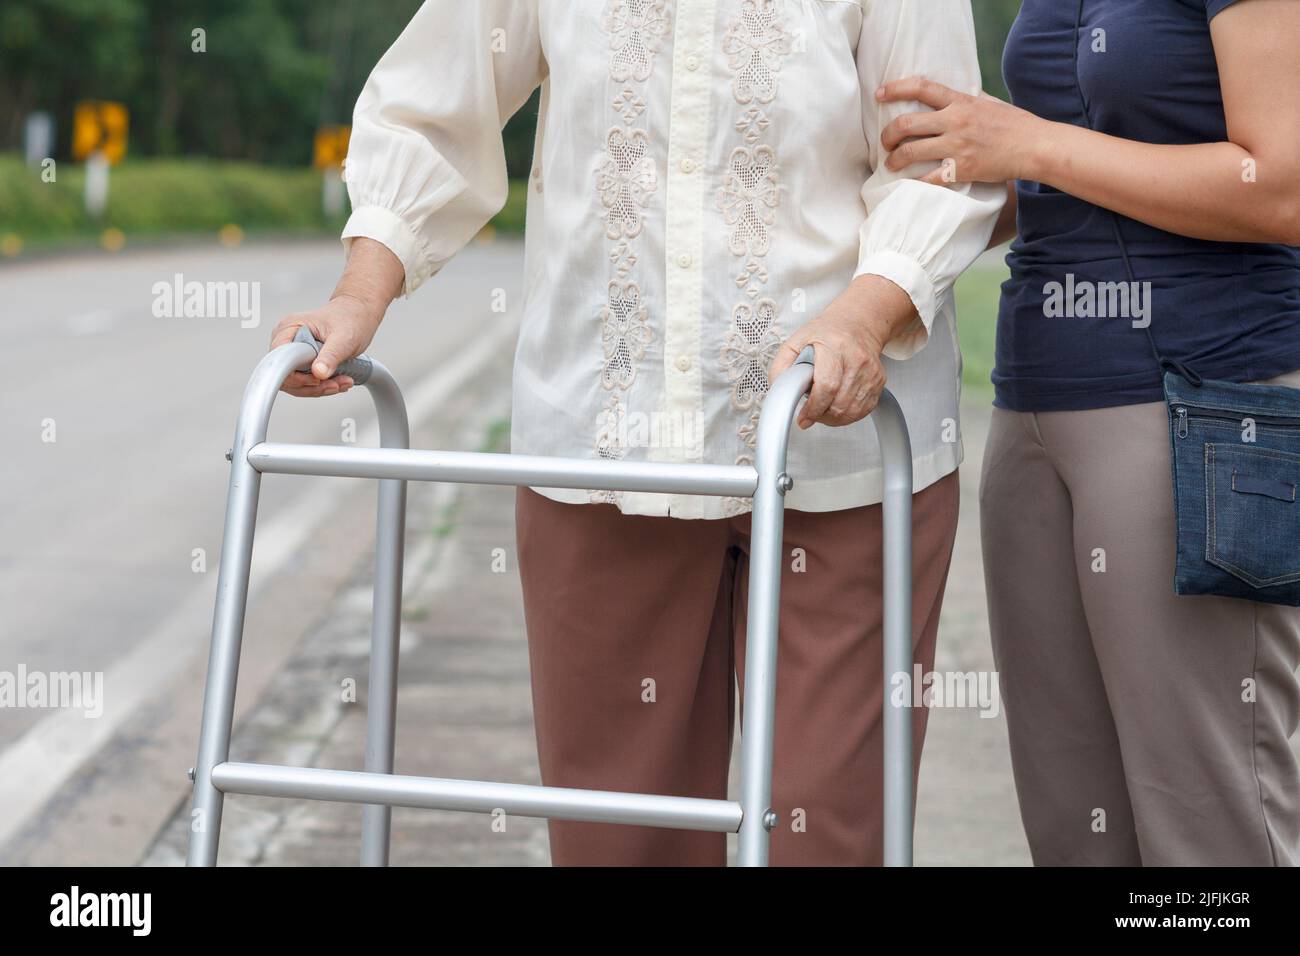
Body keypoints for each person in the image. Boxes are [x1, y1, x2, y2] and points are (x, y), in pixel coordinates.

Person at [270, 0, 1002, 865]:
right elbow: (430, 103)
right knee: (617, 837)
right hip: (601, 443)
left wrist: (864, 314)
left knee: (827, 832)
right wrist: (361, 295)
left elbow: (940, 148)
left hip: (841, 450)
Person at [877, 0, 1300, 865]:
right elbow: (1060, 176)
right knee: (1076, 830)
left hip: (1198, 407)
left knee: (1210, 832)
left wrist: (1027, 145)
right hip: (1034, 407)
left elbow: (1283, 184)